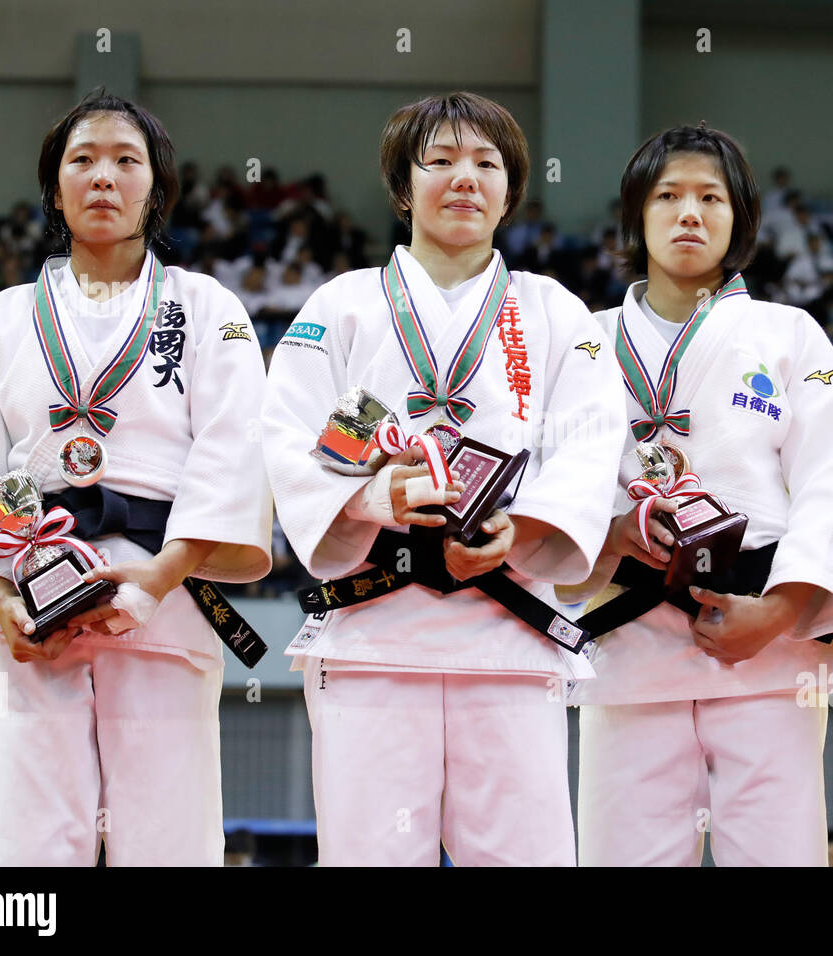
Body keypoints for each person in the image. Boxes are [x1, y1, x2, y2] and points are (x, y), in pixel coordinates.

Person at [260, 91, 624, 866]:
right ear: (402, 188)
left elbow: (593, 443)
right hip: (373, 638)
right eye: (441, 162)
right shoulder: (342, 307)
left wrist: (523, 530)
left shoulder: (555, 312)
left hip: (511, 636)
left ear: (509, 192)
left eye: (485, 164)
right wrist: (369, 497)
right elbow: (289, 436)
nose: (465, 178)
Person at [0, 90, 272, 866]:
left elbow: (232, 452)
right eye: (83, 160)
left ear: (157, 188)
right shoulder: (2, 319)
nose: (103, 177)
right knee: (26, 840)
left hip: (164, 595)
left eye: (125, 161)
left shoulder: (207, 307)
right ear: (54, 189)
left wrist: (158, 578)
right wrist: (1, 599)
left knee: (167, 835)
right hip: (32, 604)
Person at [568, 125, 833, 867]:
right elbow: (559, 480)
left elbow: (830, 485)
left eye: (711, 197)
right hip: (626, 647)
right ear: (638, 215)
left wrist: (782, 613)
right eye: (667, 197)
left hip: (764, 651)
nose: (689, 214)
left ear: (740, 221)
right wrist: (606, 535)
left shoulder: (789, 333)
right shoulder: (584, 342)